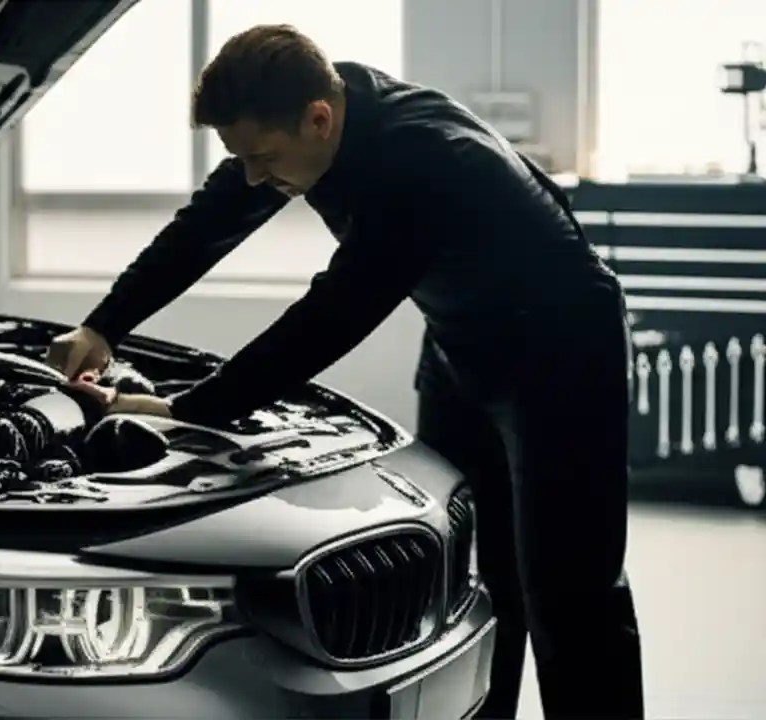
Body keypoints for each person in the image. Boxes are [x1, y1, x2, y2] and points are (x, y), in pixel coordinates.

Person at [45, 23, 644, 720]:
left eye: (262, 159)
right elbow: (206, 224)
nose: (253, 178)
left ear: (319, 120)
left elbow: (329, 318)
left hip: (563, 351)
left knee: (570, 593)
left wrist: (188, 411)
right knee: (479, 584)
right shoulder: (310, 106)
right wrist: (103, 325)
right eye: (240, 158)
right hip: (460, 344)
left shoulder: (424, 160)